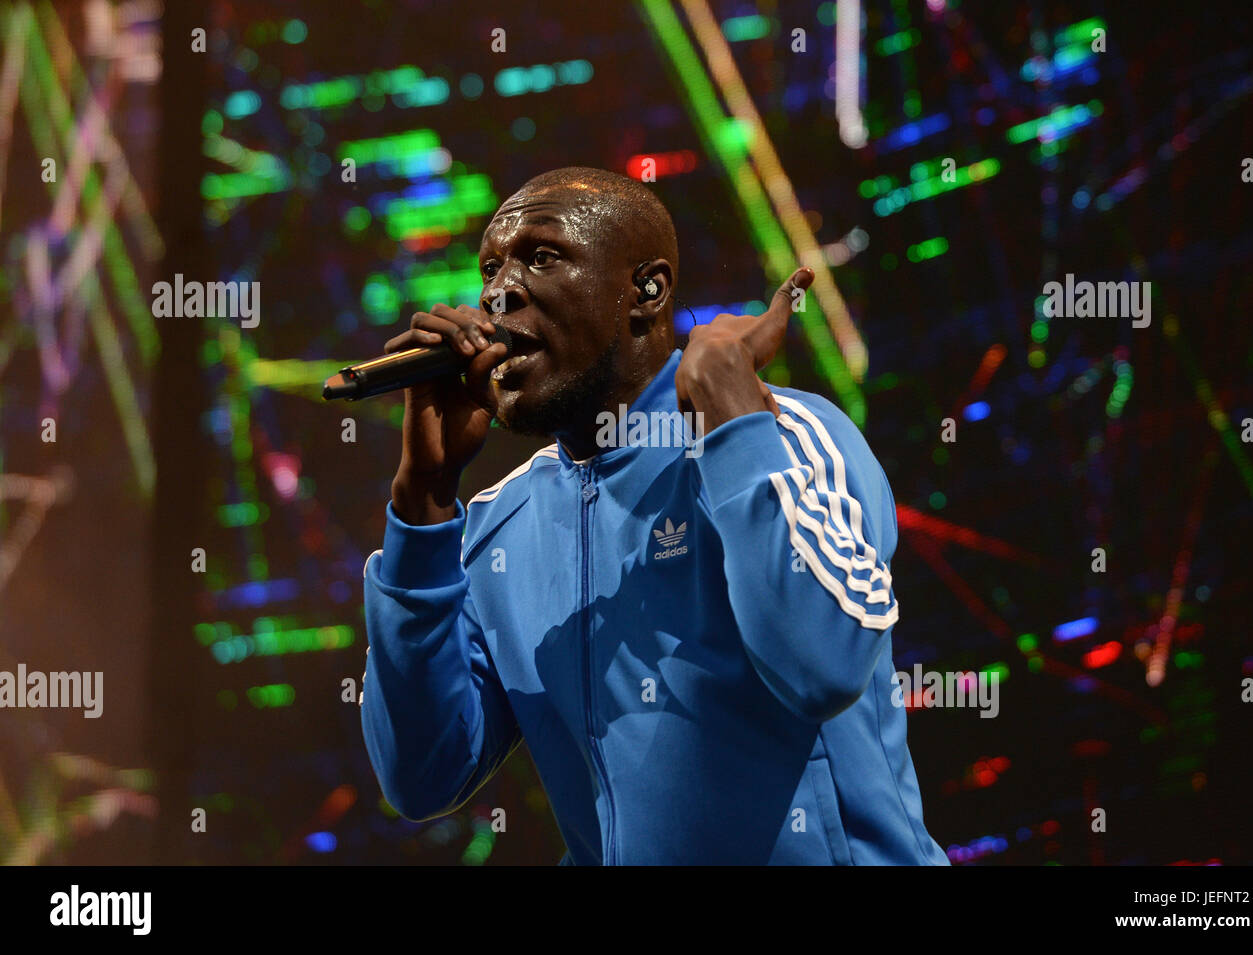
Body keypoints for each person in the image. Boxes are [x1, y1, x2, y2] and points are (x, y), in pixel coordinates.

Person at [359, 166, 949, 865]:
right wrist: (422, 505)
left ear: (648, 291)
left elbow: (824, 665)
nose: (499, 291)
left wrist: (734, 425)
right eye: (491, 268)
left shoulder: (784, 435)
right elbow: (422, 777)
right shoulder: (497, 527)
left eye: (542, 256)